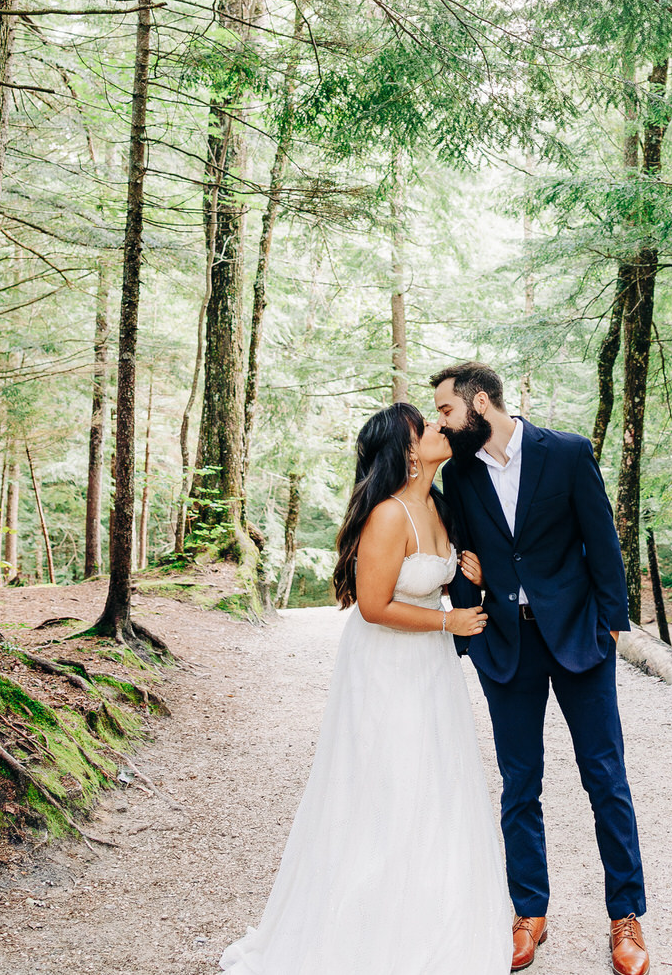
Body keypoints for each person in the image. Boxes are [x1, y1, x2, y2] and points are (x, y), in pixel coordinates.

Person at [221, 403, 511, 975]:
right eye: (425, 426)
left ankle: (431, 920)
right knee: (389, 783)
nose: (439, 427)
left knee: (437, 780)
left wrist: (470, 573)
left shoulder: (440, 505)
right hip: (385, 666)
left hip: (430, 667)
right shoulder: (387, 515)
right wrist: (447, 622)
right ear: (408, 452)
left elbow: (440, 578)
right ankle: (366, 930)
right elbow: (374, 606)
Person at [433, 361, 649, 975]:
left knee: (605, 778)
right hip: (507, 644)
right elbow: (463, 551)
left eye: (447, 410)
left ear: (479, 402)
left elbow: (602, 540)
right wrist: (471, 624)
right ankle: (529, 912)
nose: (442, 423)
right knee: (519, 784)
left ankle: (625, 916)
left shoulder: (568, 452)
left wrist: (612, 624)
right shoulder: (460, 473)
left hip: (580, 638)